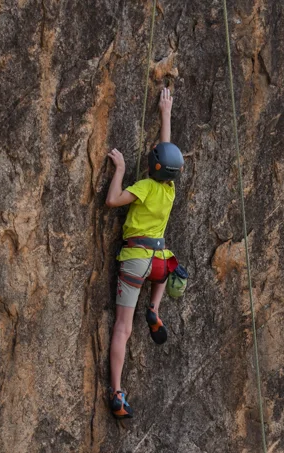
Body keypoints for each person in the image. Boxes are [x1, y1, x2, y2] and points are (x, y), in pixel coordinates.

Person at [105, 85, 185, 420]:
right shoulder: (169, 190)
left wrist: (120, 170)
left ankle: (118, 393)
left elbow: (112, 201)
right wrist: (165, 113)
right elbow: (166, 152)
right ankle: (154, 307)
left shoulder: (144, 188)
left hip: (135, 260)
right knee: (165, 264)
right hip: (158, 264)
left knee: (123, 327)